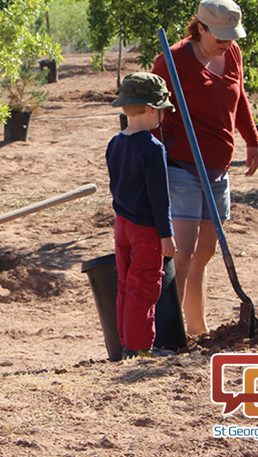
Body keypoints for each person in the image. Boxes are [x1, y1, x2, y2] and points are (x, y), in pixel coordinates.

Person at [151, 0, 258, 336]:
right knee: (181, 255)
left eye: (231, 37)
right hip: (183, 164)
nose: (227, 44)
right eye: (219, 36)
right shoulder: (171, 61)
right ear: (199, 28)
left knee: (205, 253)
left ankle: (197, 328)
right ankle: (170, 332)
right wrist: (151, 163)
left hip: (218, 168)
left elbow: (238, 96)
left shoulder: (232, 53)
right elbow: (152, 114)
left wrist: (253, 139)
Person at [106, 73, 177, 358]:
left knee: (124, 283)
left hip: (122, 225)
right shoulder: (153, 148)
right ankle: (140, 347)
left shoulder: (115, 143)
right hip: (146, 229)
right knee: (145, 286)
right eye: (161, 108)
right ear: (150, 108)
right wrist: (167, 234)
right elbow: (160, 198)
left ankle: (127, 342)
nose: (163, 115)